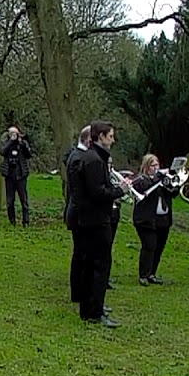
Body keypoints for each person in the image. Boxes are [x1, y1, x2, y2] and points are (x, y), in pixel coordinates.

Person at [68, 121, 126, 326]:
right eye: (110, 136)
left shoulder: (90, 157)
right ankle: (94, 311)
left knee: (90, 265)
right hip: (96, 221)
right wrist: (120, 190)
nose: (113, 140)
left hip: (89, 219)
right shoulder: (94, 160)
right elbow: (97, 192)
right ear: (100, 136)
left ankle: (89, 308)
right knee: (99, 266)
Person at [131, 154, 177, 285]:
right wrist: (159, 177)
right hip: (146, 219)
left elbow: (172, 193)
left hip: (163, 219)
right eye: (153, 165)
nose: (156, 168)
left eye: (157, 165)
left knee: (159, 247)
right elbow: (144, 187)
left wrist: (176, 184)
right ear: (146, 167)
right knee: (149, 246)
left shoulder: (162, 179)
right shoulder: (141, 179)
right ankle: (143, 275)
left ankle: (152, 273)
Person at [65, 125, 91, 304]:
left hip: (79, 212)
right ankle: (78, 293)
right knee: (80, 254)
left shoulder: (78, 156)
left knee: (81, 254)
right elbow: (78, 191)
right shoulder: (77, 158)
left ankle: (80, 293)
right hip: (79, 214)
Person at [0, 126, 32, 227]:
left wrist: (22, 143)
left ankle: (26, 221)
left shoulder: (22, 143)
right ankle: (12, 221)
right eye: (12, 133)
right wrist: (11, 141)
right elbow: (2, 152)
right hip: (9, 176)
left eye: (15, 133)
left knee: (24, 200)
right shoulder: (6, 142)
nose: (14, 135)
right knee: (10, 201)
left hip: (21, 175)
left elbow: (29, 155)